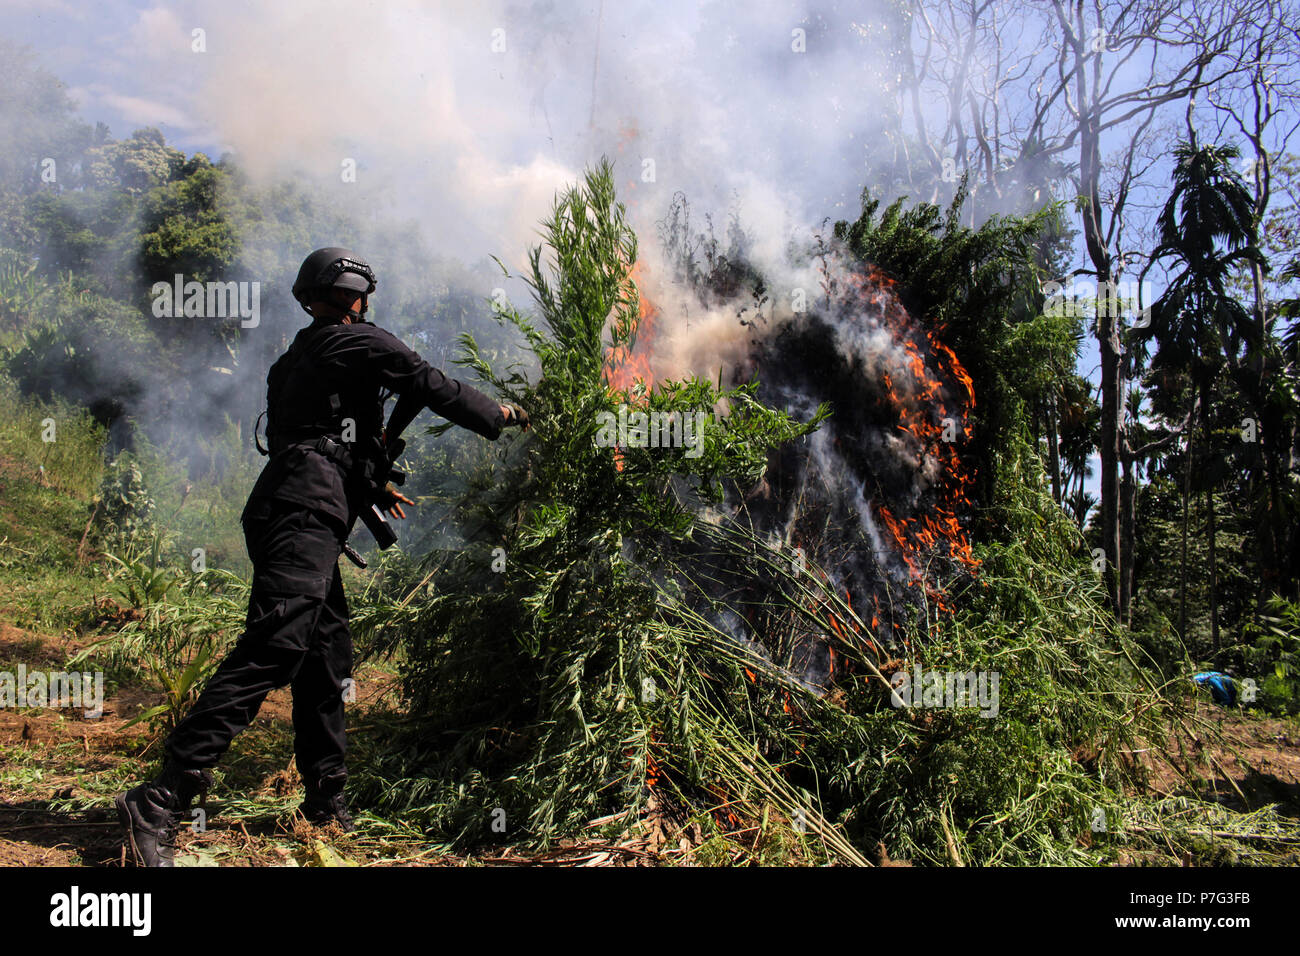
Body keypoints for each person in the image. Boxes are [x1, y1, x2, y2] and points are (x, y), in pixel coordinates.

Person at [115, 247, 528, 867]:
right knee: (280, 641)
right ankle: (163, 796)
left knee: (324, 656)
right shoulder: (358, 342)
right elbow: (427, 382)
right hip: (302, 512)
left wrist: (369, 480)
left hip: (297, 505)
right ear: (353, 294)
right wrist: (498, 413)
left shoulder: (300, 358)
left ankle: (324, 803)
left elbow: (319, 438)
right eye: (361, 298)